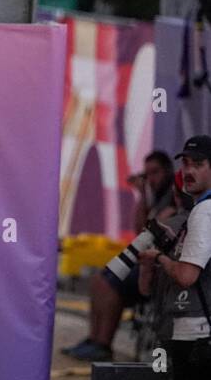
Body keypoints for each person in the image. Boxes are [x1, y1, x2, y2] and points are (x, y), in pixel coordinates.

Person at [139, 134, 211, 380]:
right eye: (186, 163)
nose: (189, 170)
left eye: (199, 163)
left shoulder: (204, 213)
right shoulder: (199, 212)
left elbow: (186, 275)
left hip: (198, 336)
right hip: (195, 333)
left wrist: (162, 258)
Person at [64, 150, 178, 362]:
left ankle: (103, 344)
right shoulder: (156, 198)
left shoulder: (174, 196)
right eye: (147, 174)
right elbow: (138, 230)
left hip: (158, 269)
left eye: (155, 173)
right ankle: (94, 338)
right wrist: (143, 195)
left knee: (110, 285)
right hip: (146, 263)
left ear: (168, 171)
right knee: (99, 279)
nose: (151, 179)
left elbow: (151, 232)